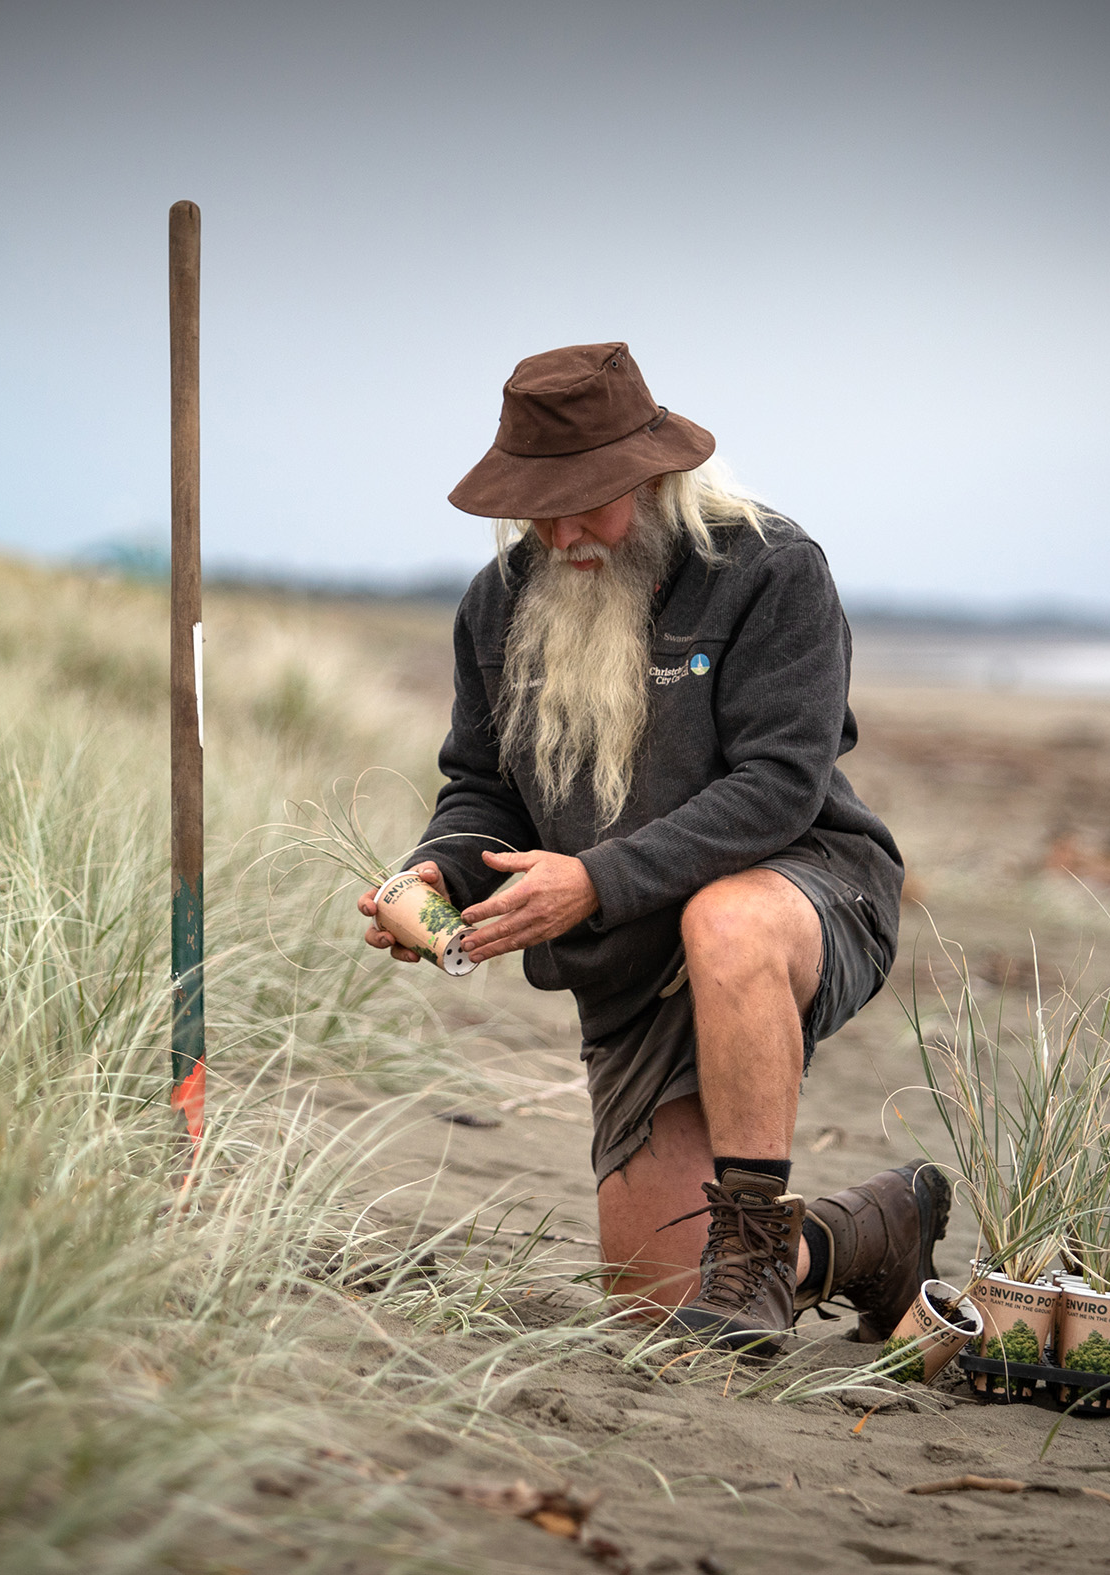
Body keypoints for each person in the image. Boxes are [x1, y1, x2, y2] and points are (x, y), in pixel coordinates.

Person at [358, 342, 949, 1352]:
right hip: (631, 955)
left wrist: (594, 880)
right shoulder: (495, 604)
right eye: (540, 502)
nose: (565, 527)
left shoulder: (771, 568)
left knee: (726, 919)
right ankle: (863, 1236)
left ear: (656, 473)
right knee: (659, 1309)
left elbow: (777, 785)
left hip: (799, 894)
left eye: (590, 497)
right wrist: (436, 871)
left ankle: (754, 1249)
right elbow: (482, 788)